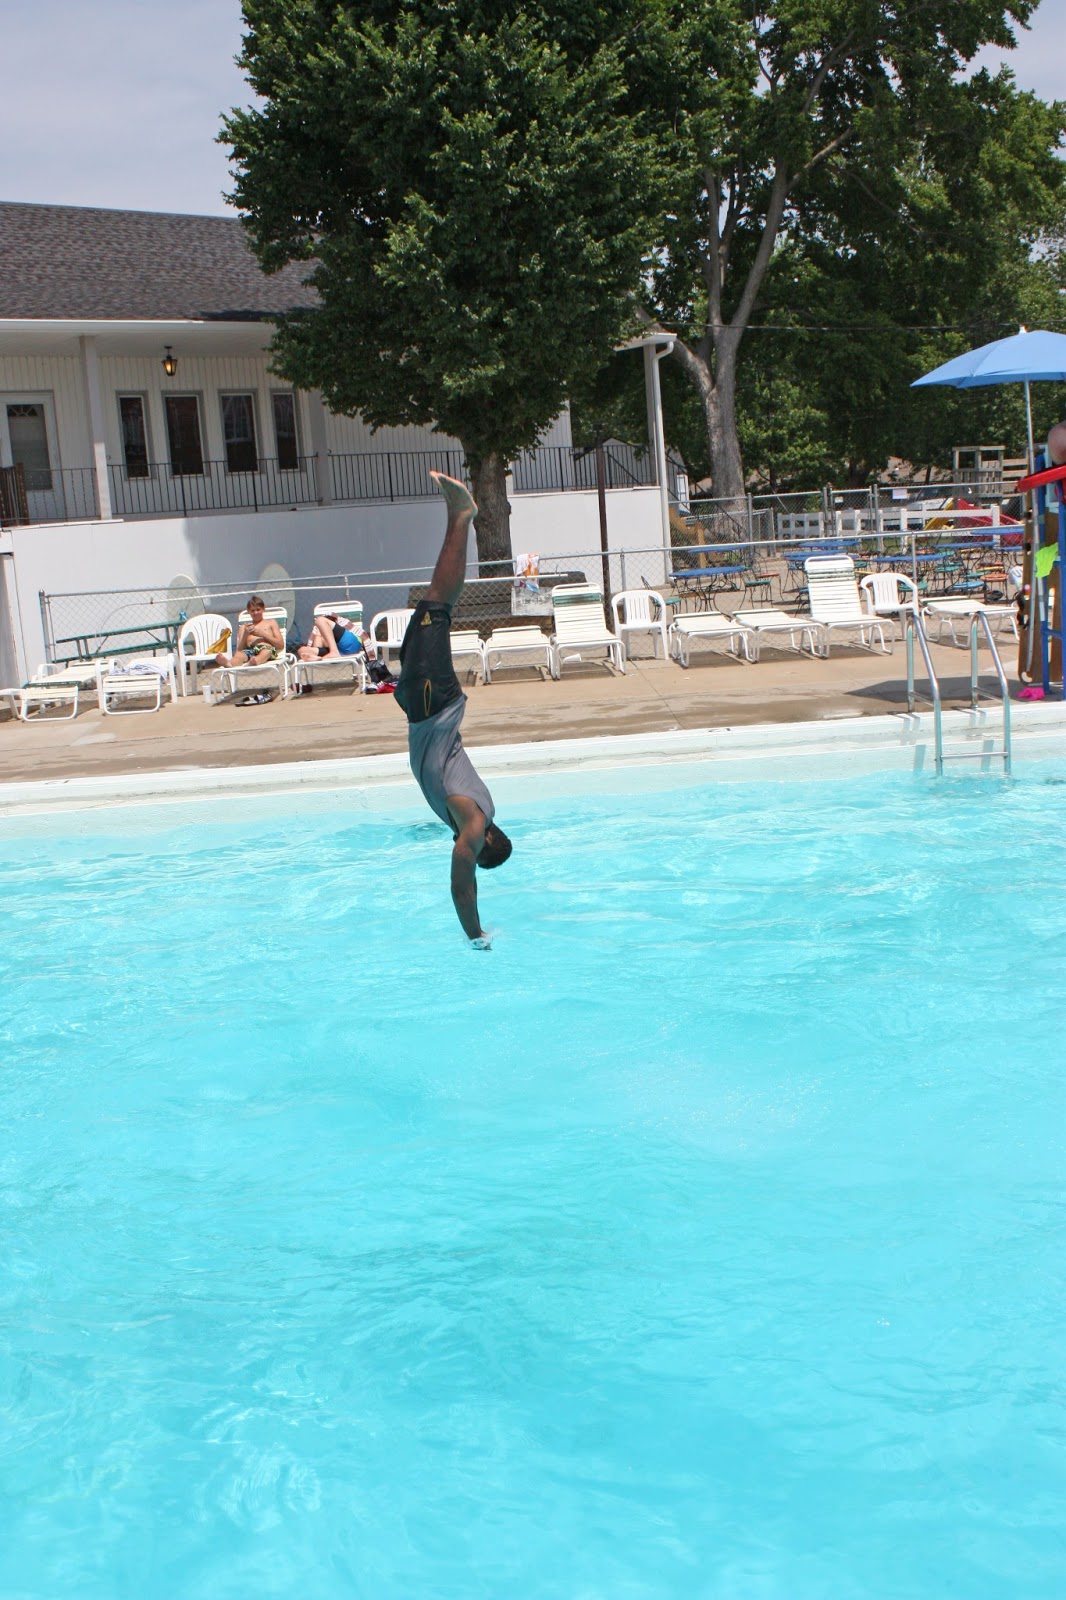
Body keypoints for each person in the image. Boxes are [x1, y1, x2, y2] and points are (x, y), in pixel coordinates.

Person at [395, 472, 512, 947]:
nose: (460, 849)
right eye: (473, 852)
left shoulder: (476, 812)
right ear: (486, 840)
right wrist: (475, 934)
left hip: (426, 704)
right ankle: (462, 514)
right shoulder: (474, 820)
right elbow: (461, 886)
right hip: (433, 703)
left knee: (436, 610)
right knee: (435, 608)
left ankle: (459, 517)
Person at [216, 595, 284, 668]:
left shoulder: (271, 623)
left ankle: (255, 661)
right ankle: (229, 664)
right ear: (249, 612)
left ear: (263, 609)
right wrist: (246, 633)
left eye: (258, 609)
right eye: (252, 610)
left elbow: (280, 644)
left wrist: (263, 634)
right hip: (250, 651)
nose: (255, 613)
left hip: (266, 649)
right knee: (239, 654)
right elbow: (240, 649)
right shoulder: (244, 627)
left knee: (266, 651)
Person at [297, 613, 369, 663]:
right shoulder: (322, 634)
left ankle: (334, 652)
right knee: (302, 650)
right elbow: (317, 647)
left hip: (351, 644)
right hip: (340, 652)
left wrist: (322, 623)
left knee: (319, 620)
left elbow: (321, 621)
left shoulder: (340, 629)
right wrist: (319, 631)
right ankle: (318, 658)